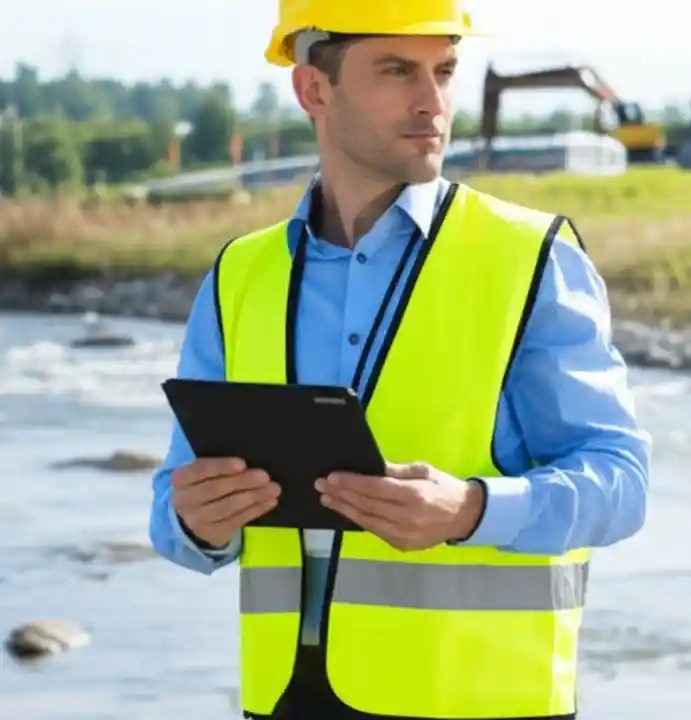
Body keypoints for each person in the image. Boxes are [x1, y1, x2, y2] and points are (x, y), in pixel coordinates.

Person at [145, 1, 652, 718]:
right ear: (314, 89)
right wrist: (199, 519)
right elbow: (174, 516)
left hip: (479, 703)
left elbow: (622, 484)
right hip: (283, 700)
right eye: (396, 70)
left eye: (444, 71)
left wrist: (472, 510)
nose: (433, 101)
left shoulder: (529, 259)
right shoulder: (239, 275)